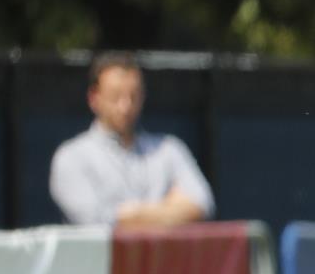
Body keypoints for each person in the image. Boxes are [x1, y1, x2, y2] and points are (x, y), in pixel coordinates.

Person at [49, 53, 214, 228]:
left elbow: (203, 205)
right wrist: (170, 208)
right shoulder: (71, 157)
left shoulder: (169, 149)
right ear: (93, 98)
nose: (125, 106)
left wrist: (128, 213)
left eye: (133, 96)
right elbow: (94, 220)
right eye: (115, 96)